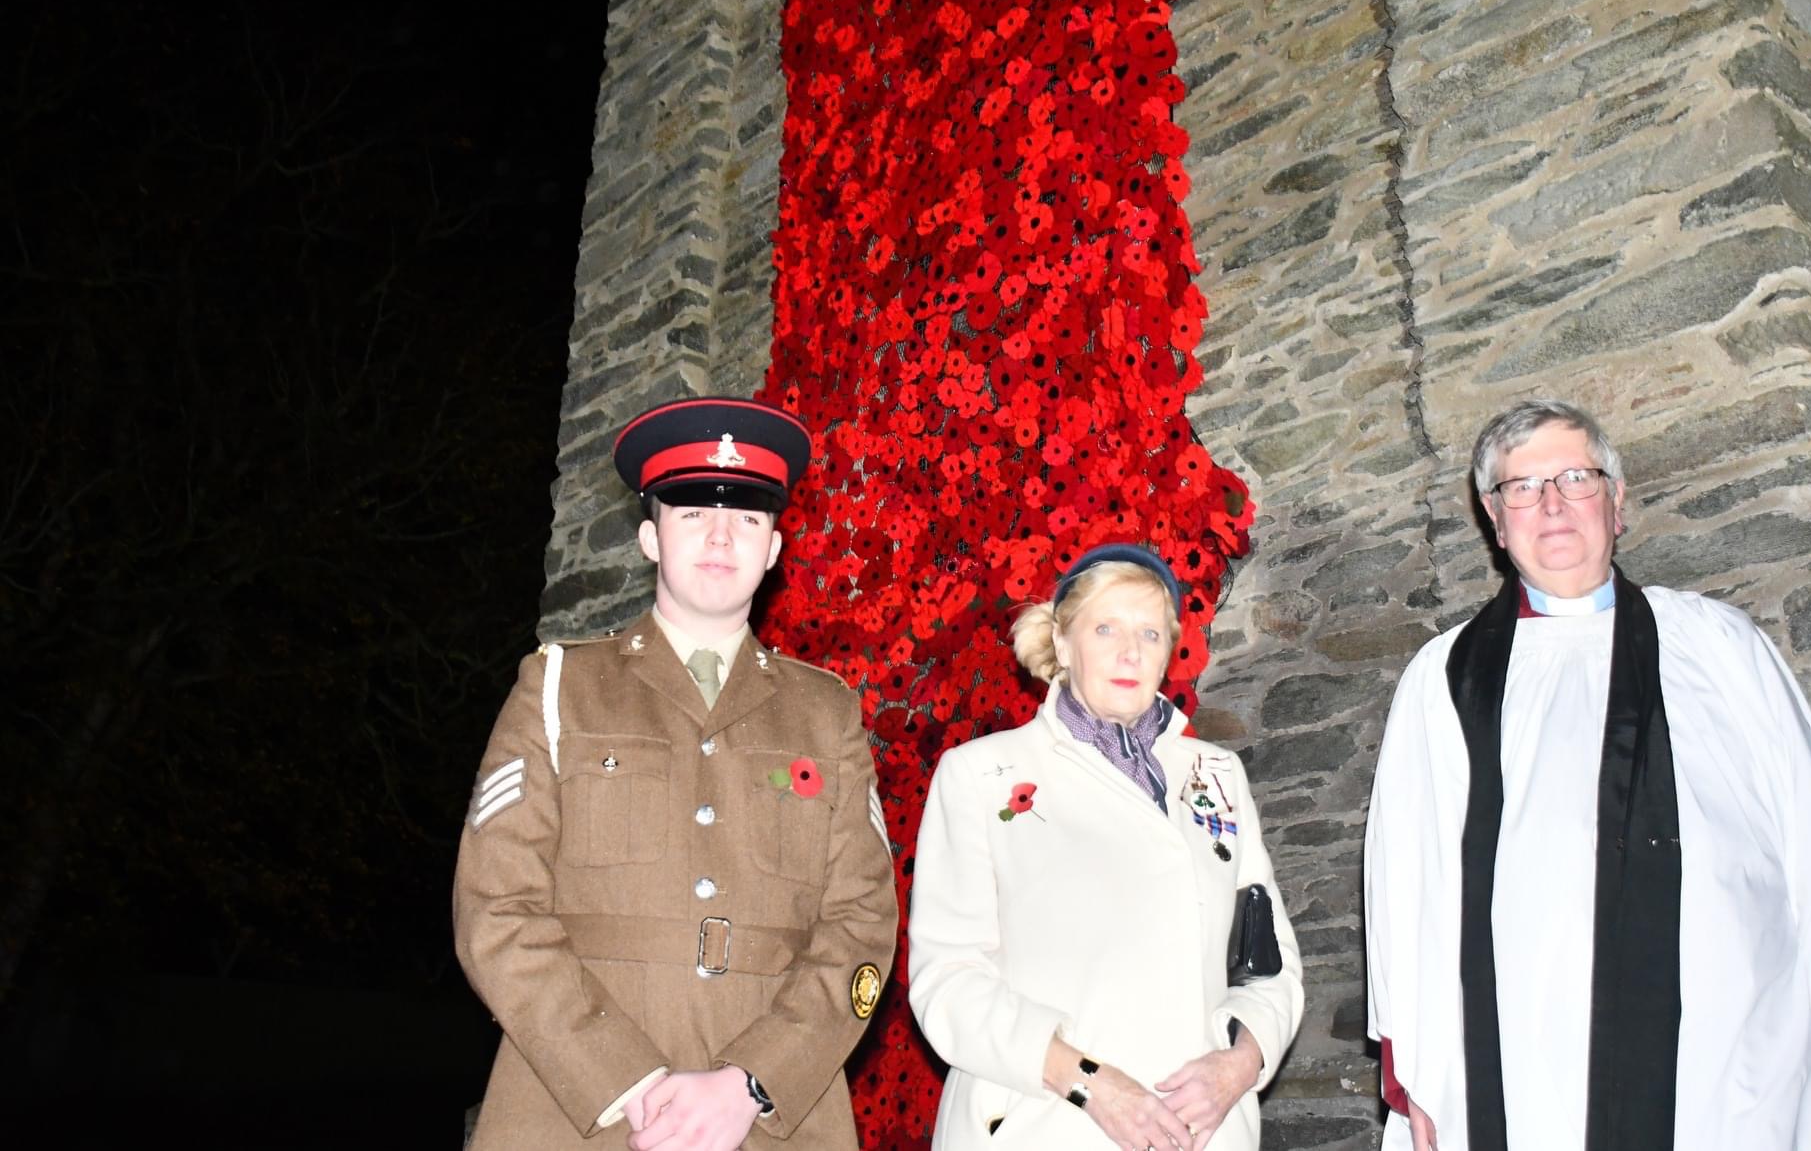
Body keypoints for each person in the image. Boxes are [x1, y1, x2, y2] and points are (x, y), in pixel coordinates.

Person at [1362, 399, 1811, 1151]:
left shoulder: (1720, 646)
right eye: (1522, 487)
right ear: (1496, 520)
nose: (1551, 502)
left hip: (1729, 1074)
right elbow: (1403, 882)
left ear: (1616, 501)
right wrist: (1414, 1074)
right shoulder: (1443, 678)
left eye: (1575, 477)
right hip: (1518, 1077)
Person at [453, 397, 898, 1151]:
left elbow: (862, 927)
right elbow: (495, 910)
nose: (722, 533)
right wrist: (629, 1081)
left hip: (769, 1125)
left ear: (775, 546)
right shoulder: (559, 689)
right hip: (578, 1116)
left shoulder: (827, 715)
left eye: (748, 518)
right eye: (693, 513)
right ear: (650, 537)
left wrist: (751, 1083)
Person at [908, 543, 1305, 1151]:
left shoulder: (1217, 774)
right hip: (1047, 1123)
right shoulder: (982, 775)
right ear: (1063, 645)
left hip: (1199, 1128)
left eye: (1149, 632)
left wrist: (1241, 1064)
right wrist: (1091, 1084)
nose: (1129, 651)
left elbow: (1270, 967)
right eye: (1105, 628)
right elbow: (948, 981)